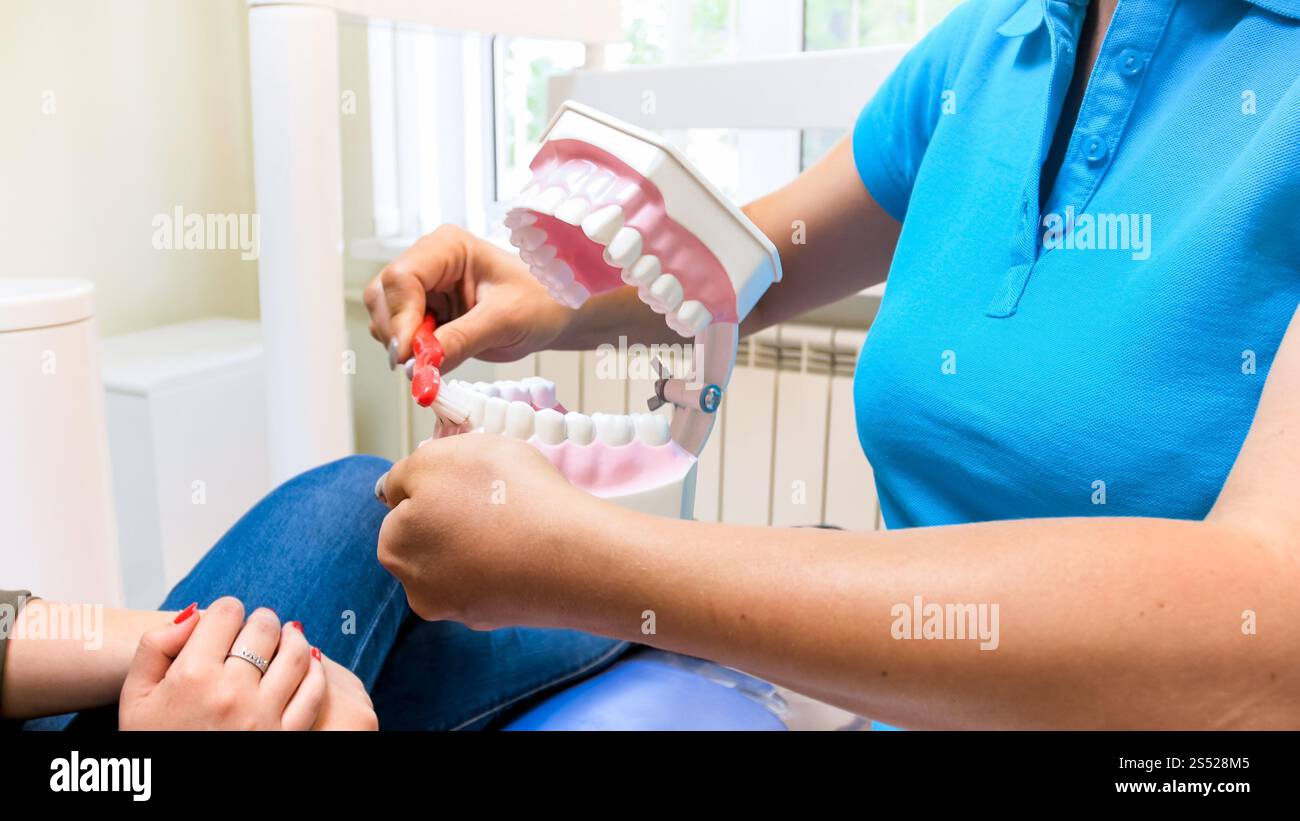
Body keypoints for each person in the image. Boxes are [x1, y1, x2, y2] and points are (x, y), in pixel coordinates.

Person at [363, 0, 1300, 728]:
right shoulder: (996, 41)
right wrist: (547, 302)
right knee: (347, 518)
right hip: (889, 708)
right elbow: (753, 269)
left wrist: (585, 565)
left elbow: (1269, 642)